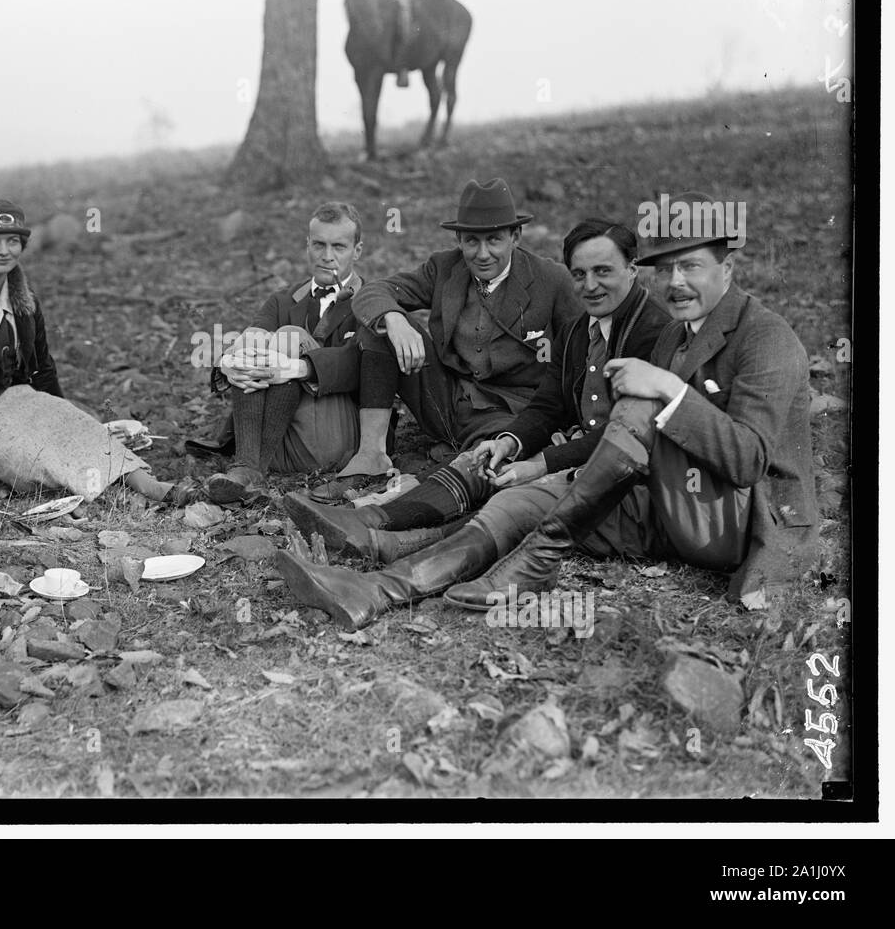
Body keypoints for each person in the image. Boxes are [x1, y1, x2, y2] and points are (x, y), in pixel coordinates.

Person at [276, 193, 818, 631]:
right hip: (658, 494)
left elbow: (746, 461)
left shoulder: (764, 337)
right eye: (668, 269)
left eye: (692, 267)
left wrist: (667, 392)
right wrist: (519, 448)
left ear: (728, 266)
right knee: (517, 504)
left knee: (609, 429)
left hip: (733, 517)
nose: (677, 282)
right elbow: (555, 403)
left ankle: (518, 556)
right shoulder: (657, 328)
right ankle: (376, 587)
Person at [283, 217, 671, 569]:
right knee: (492, 464)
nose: (590, 285)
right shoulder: (577, 328)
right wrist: (513, 442)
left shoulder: (645, 329)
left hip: (590, 459)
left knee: (497, 483)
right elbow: (554, 400)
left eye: (603, 272)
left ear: (633, 269)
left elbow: (620, 431)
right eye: (581, 274)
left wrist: (540, 459)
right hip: (464, 407)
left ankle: (392, 541)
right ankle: (365, 515)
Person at [0, 199, 192, 505]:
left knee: (78, 427)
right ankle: (112, 495)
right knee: (34, 456)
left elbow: (42, 367)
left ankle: (149, 485)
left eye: (13, 241)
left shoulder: (25, 301)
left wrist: (61, 412)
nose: (4, 251)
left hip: (21, 398)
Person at [327, 176, 580, 492]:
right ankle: (372, 454)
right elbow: (375, 291)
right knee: (378, 331)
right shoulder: (444, 267)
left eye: (494, 240)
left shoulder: (551, 280)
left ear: (516, 236)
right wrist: (394, 318)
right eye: (472, 241)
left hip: (508, 416)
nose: (483, 253)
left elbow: (584, 350)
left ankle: (423, 487)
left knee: (490, 459)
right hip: (444, 400)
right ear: (459, 239)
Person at [194, 202, 369, 504]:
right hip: (280, 444)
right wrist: (229, 364)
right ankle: (249, 468)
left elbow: (368, 368)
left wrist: (299, 367)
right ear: (307, 246)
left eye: (339, 246)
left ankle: (249, 466)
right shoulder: (284, 299)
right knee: (250, 347)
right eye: (318, 245)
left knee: (289, 336)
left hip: (338, 436)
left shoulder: (371, 299)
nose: (327, 256)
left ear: (358, 251)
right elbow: (247, 341)